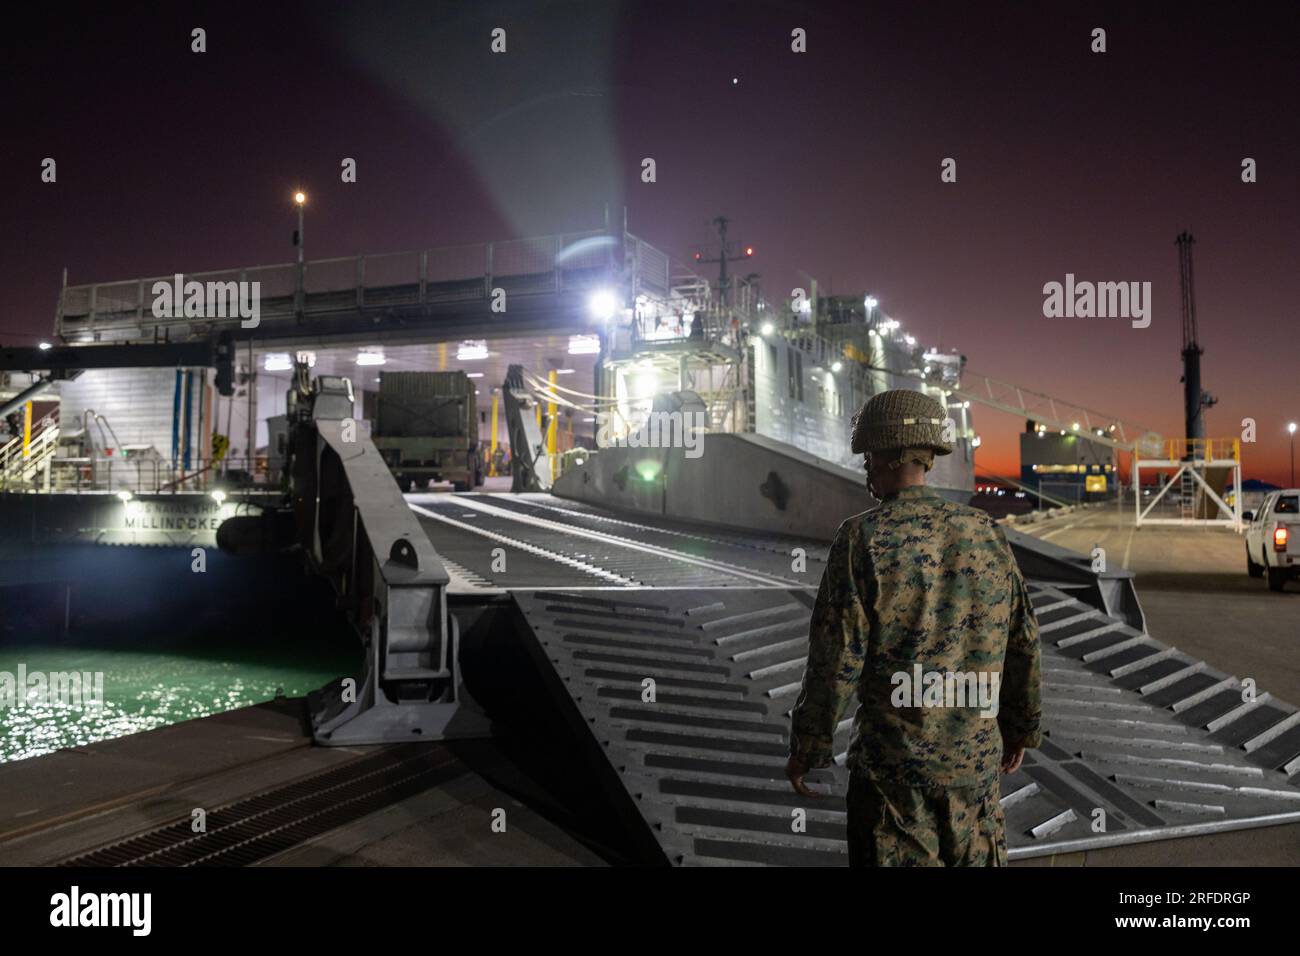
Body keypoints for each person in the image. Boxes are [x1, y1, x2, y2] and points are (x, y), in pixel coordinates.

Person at [786, 388, 1042, 866]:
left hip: (893, 780)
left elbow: (836, 657)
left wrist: (810, 745)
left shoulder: (861, 538)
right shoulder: (986, 531)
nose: (864, 466)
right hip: (976, 771)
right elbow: (1023, 641)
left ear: (885, 455)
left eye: (867, 455)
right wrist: (1020, 729)